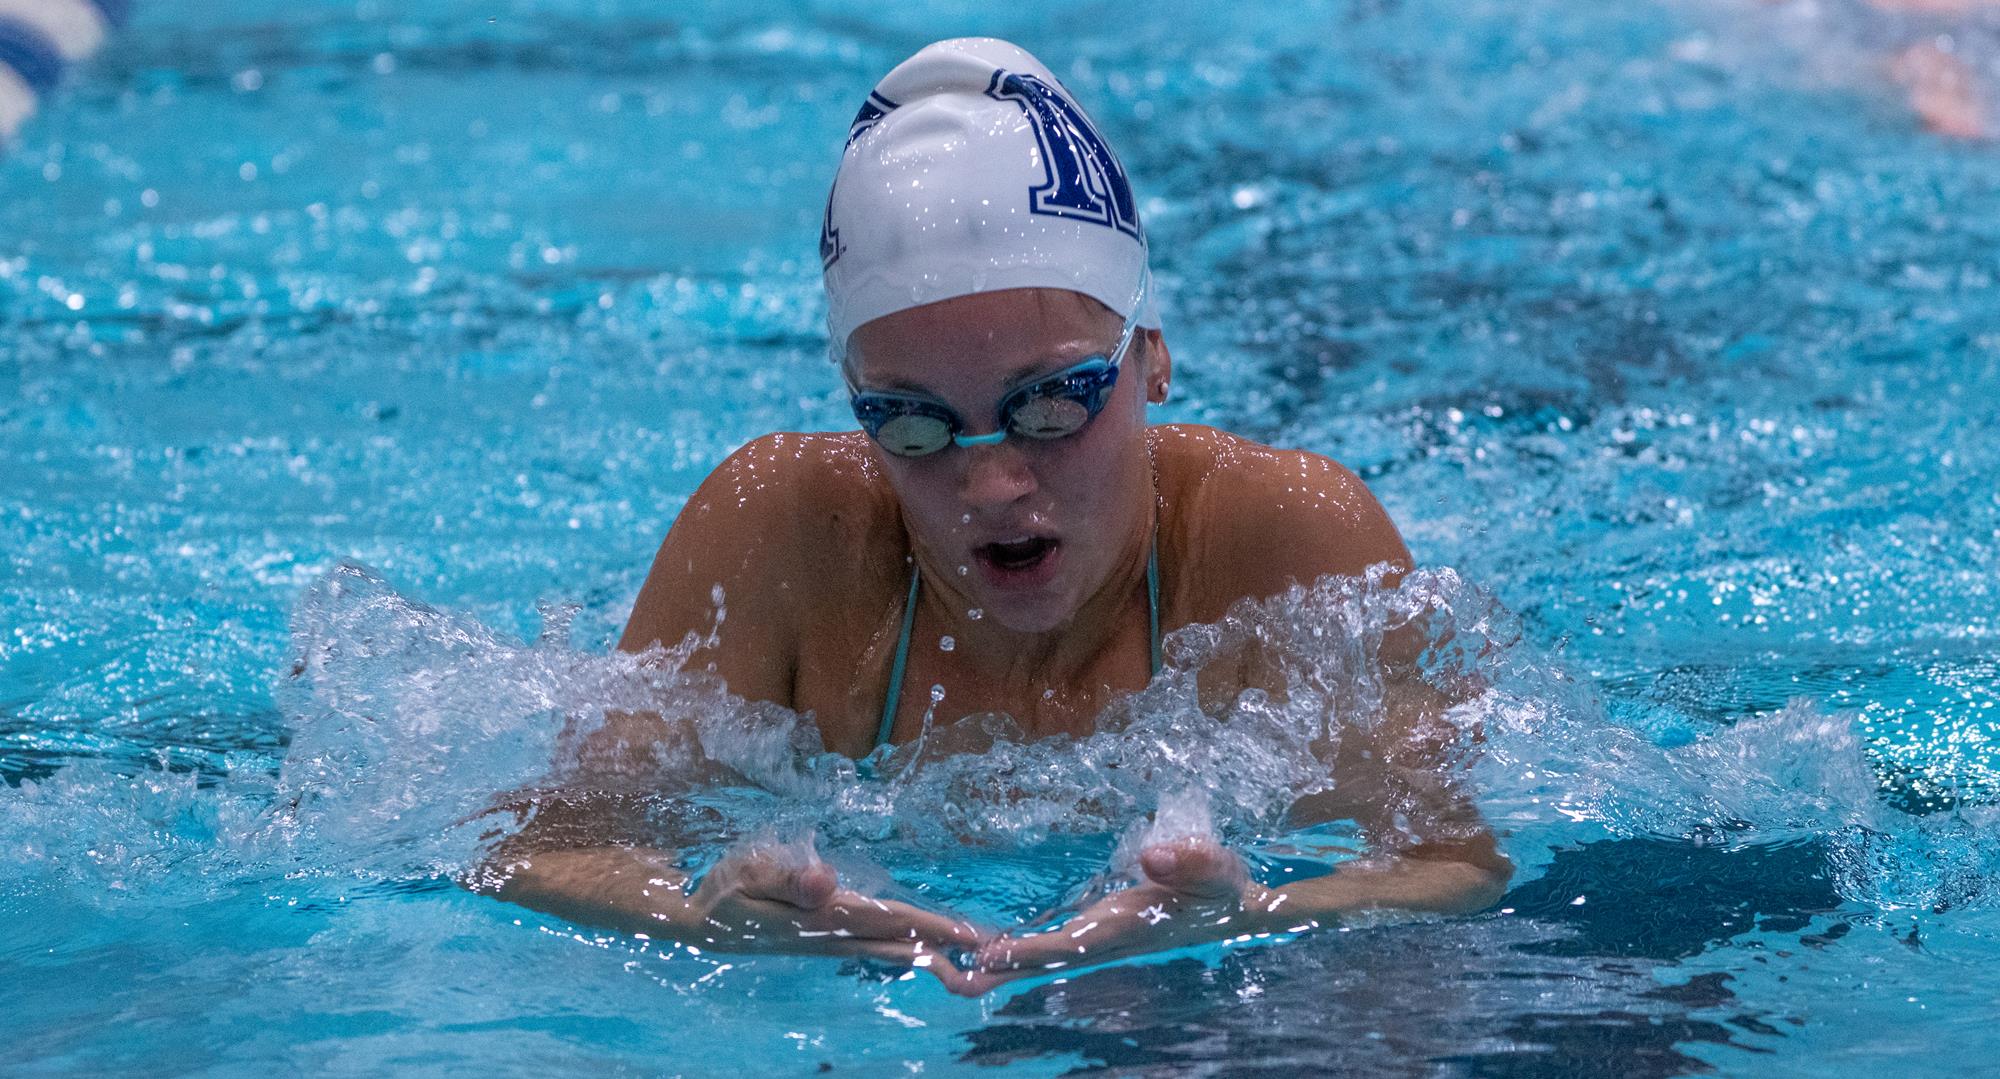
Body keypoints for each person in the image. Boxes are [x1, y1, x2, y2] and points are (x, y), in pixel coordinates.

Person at [476, 37, 1511, 994]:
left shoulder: (1287, 538)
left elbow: (1455, 865)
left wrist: (1255, 914)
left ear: (1150, 355)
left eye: (1050, 403)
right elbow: (536, 852)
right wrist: (700, 917)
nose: (992, 486)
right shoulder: (777, 534)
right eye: (912, 422)